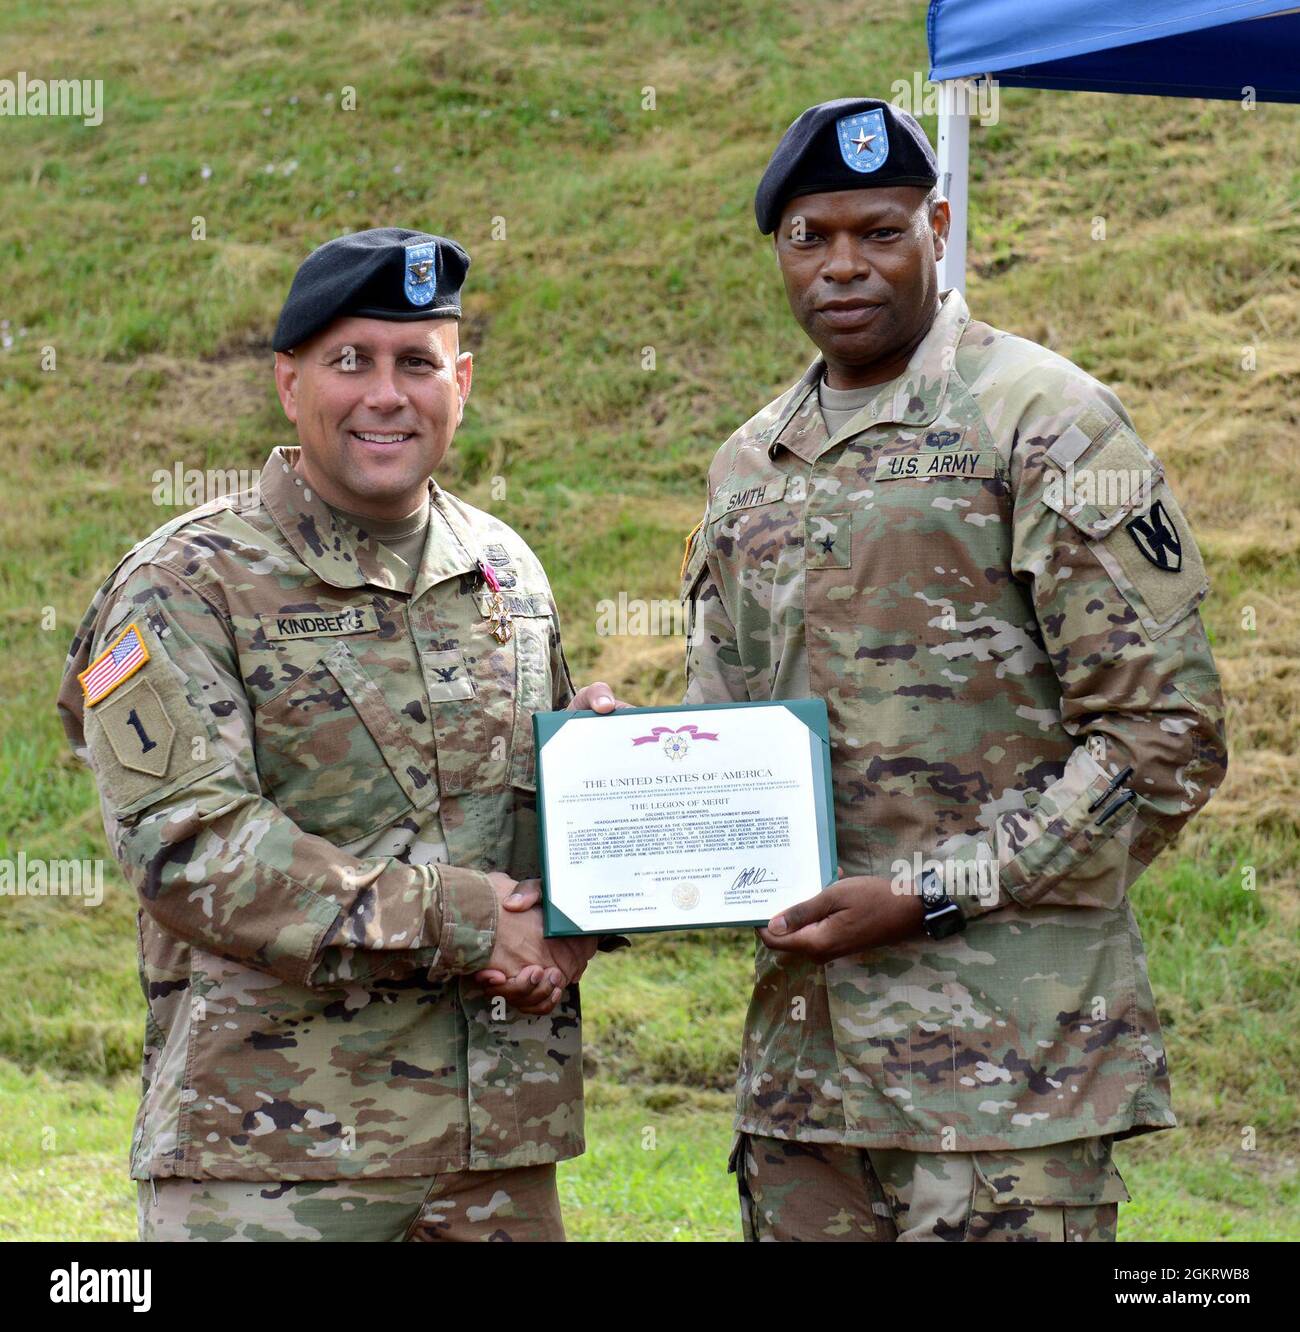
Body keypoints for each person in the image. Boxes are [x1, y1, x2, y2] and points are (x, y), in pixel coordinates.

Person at [679, 100, 1228, 1241]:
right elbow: (724, 722)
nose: (843, 266)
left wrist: (931, 892)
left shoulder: (1045, 421)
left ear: (936, 225)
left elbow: (1162, 741)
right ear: (776, 249)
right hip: (808, 1091)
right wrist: (631, 779)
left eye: (877, 232)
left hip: (1008, 1084)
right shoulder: (750, 461)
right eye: (809, 236)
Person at [57, 226, 613, 1242]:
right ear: (288, 381)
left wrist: (600, 852)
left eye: (417, 363)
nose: (386, 395)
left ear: (463, 380)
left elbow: (530, 821)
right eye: (349, 361)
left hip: (494, 1158)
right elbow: (190, 850)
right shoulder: (185, 584)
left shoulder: (503, 570)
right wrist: (467, 919)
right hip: (274, 1160)